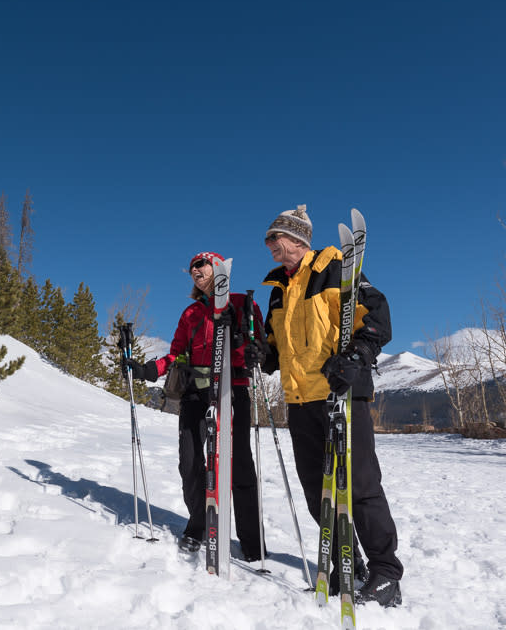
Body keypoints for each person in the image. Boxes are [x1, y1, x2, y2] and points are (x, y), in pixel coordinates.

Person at [260, 204, 403, 607]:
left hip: (341, 393)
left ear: (297, 238)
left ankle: (386, 573)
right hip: (299, 401)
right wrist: (261, 353)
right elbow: (275, 348)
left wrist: (357, 355)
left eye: (275, 238)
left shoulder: (335, 267)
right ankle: (348, 562)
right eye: (268, 240)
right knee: (317, 492)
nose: (270, 246)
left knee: (359, 486)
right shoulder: (278, 290)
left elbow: (377, 317)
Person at [124, 251, 264, 561]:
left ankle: (252, 541)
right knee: (189, 462)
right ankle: (198, 525)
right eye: (191, 268)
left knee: (239, 464)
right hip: (194, 393)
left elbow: (259, 345)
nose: (195, 270)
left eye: (201, 265)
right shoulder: (191, 313)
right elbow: (176, 354)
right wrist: (148, 370)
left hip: (232, 389)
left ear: (218, 268)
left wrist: (242, 341)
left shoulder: (243, 303)